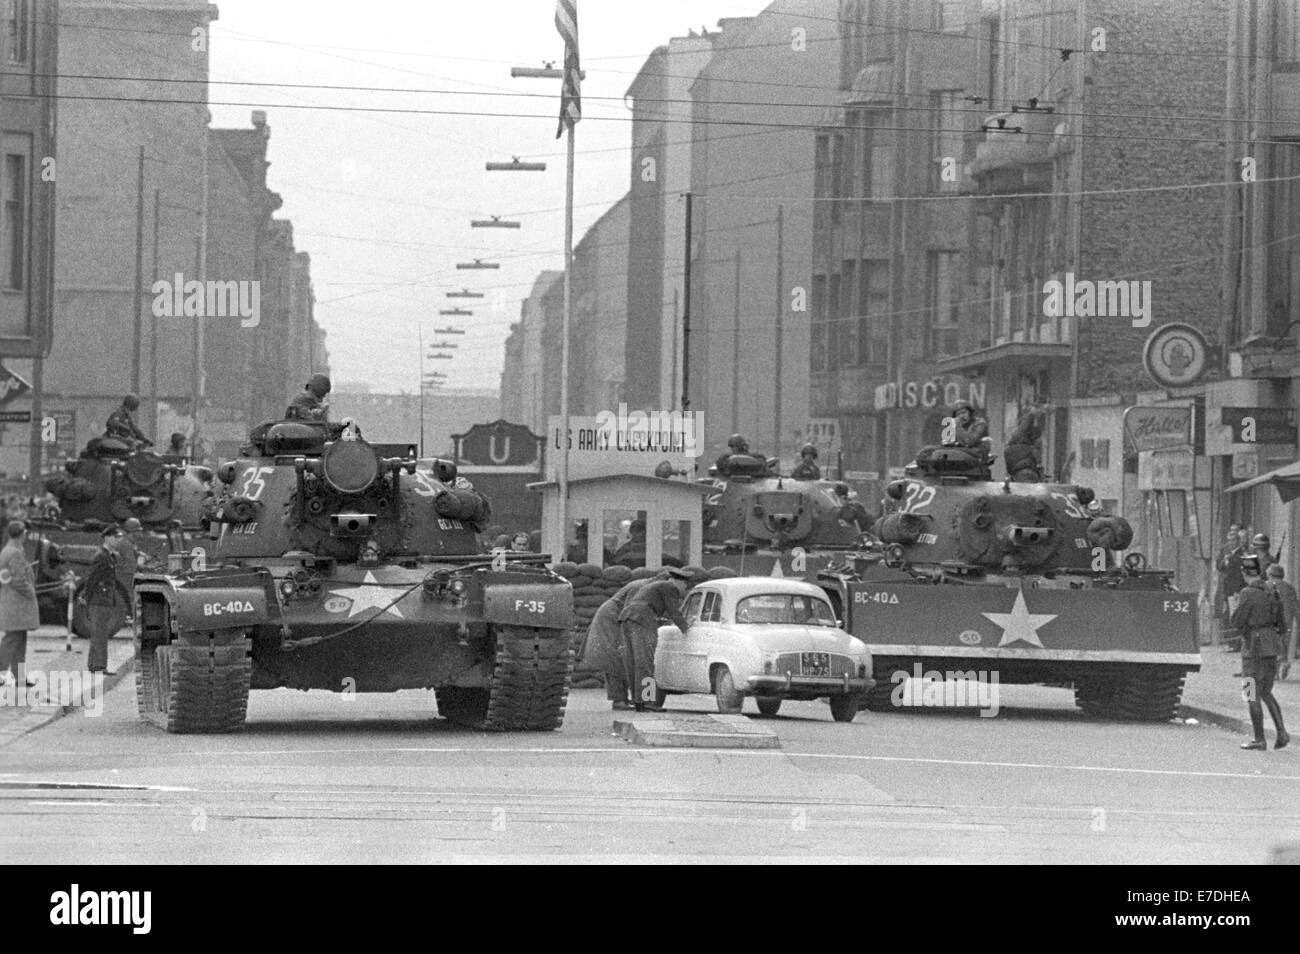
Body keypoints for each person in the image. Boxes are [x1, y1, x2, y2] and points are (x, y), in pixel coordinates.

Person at [1231, 555, 1290, 750]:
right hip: (1270, 646)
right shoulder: (1272, 590)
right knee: (1266, 691)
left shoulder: (1247, 593)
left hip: (1252, 648)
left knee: (1250, 692)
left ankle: (1259, 739)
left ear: (1244, 573)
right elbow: (1282, 624)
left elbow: (1237, 621)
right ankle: (1281, 732)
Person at [583, 574, 659, 710]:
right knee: (614, 659)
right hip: (611, 620)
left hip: (618, 619)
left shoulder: (647, 588)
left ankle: (632, 699)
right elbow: (630, 611)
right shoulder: (641, 587)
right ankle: (619, 700)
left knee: (624, 659)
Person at [618, 569, 691, 712]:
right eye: (685, 585)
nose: (684, 590)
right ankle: (648, 701)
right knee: (646, 662)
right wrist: (685, 628)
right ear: (679, 582)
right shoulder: (670, 587)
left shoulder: (655, 586)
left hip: (627, 618)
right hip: (643, 620)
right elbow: (674, 611)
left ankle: (639, 701)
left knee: (633, 662)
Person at [77, 528, 133, 674]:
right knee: (100, 634)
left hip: (105, 600)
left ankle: (95, 665)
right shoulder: (101, 556)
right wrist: (86, 597)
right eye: (115, 537)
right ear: (107, 538)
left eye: (119, 537)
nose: (118, 540)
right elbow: (92, 578)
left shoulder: (108, 556)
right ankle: (99, 666)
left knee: (100, 633)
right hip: (99, 600)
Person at [0, 521, 39, 688]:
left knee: (19, 640)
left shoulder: (8, 550)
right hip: (18, 603)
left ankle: (19, 677)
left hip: (14, 603)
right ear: (21, 534)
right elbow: (18, 581)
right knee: (11, 641)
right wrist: (31, 592)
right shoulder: (14, 553)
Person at [1267, 564, 1299, 680]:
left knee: (1272, 645)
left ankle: (1274, 671)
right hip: (1286, 621)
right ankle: (1284, 662)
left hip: (1271, 621)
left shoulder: (1266, 586)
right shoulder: (1289, 588)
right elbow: (1296, 606)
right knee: (1283, 644)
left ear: (1270, 574)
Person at [1216, 529, 1248, 646]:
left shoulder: (1241, 554)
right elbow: (1220, 567)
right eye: (1229, 540)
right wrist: (1225, 561)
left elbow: (1239, 575)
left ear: (1238, 541)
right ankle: (1231, 642)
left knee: (1234, 615)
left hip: (1236, 591)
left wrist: (1236, 591)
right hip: (1227, 590)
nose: (1230, 543)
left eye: (1233, 540)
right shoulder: (1227, 553)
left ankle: (1235, 643)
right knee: (1228, 615)